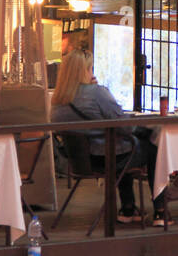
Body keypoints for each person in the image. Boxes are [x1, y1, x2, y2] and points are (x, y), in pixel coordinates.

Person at [52, 50, 167, 226]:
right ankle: (160, 212)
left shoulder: (57, 101)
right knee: (152, 148)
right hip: (107, 158)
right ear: (85, 70)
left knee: (121, 145)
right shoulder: (96, 92)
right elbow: (124, 126)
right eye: (91, 68)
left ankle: (128, 208)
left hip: (81, 162)